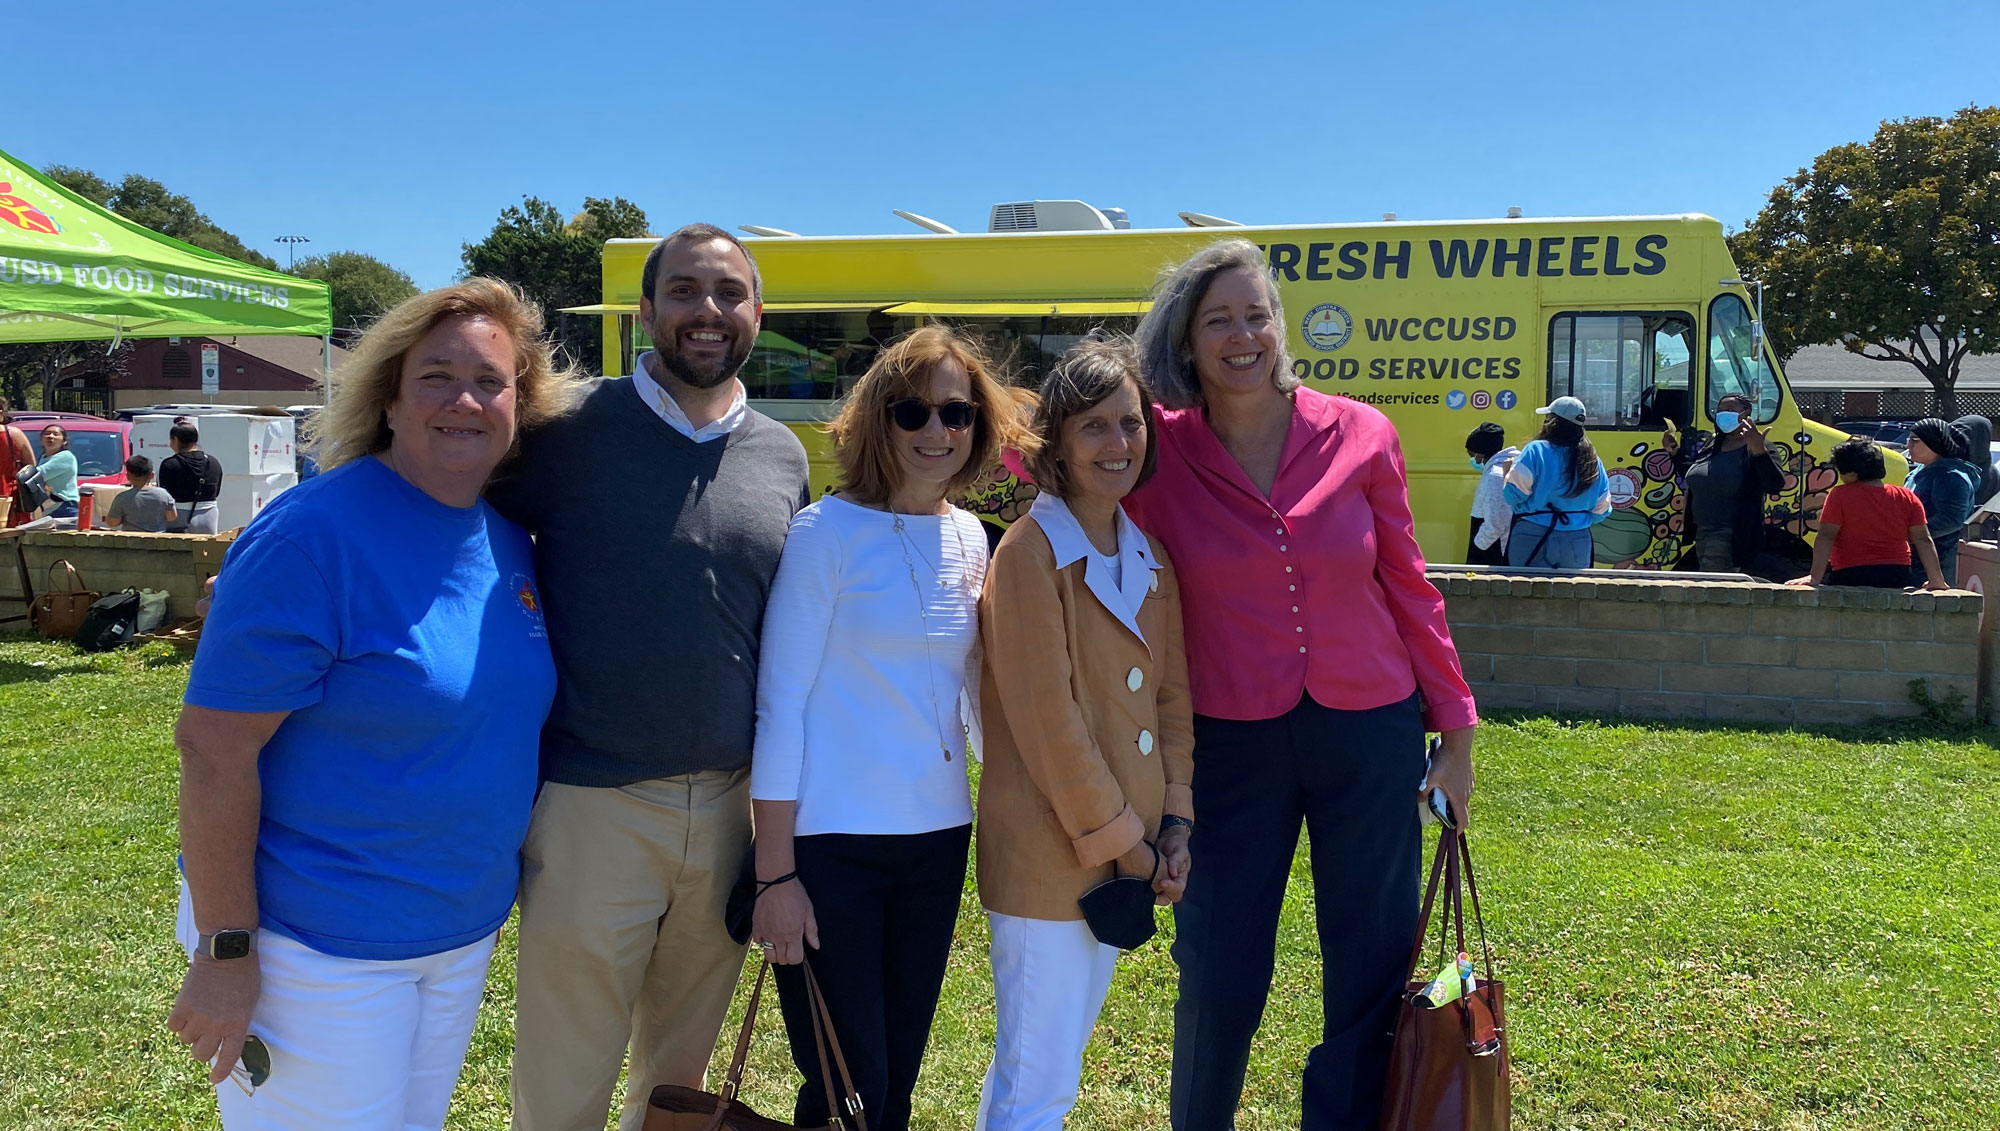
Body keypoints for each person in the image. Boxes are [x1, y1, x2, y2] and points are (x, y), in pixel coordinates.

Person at [166, 279, 574, 1129]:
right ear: (389, 394)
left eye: (491, 381)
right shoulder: (312, 535)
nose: (465, 400)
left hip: (454, 938)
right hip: (310, 948)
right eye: (436, 375)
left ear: (520, 405)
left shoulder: (506, 542)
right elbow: (213, 751)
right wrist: (226, 948)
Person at [1122, 239, 1478, 1131]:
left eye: (1257, 313)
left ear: (1280, 324)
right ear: (1188, 340)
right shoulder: (1153, 447)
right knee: (1218, 959)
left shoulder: (1361, 432)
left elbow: (1408, 584)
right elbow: (1035, 451)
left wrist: (1458, 733)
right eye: (1218, 320)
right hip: (1228, 739)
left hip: (1370, 728)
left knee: (1369, 960)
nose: (1243, 334)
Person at [487, 224, 812, 1131]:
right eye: (683, 292)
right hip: (592, 803)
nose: (706, 312)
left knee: (677, 1087)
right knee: (563, 1079)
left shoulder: (784, 457)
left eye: (728, 293)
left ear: (757, 312)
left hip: (729, 811)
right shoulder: (565, 430)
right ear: (646, 310)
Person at [749, 324, 1026, 1131]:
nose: (936, 431)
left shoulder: (972, 536)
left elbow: (973, 699)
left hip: (937, 841)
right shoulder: (824, 533)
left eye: (957, 411)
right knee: (847, 1079)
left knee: (897, 1074)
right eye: (911, 412)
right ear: (878, 420)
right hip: (829, 848)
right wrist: (775, 875)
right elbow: (781, 706)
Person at [974, 335, 1194, 1131]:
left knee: (1037, 1074)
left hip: (1124, 855)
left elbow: (1171, 702)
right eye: (1095, 425)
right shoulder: (1030, 554)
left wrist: (1176, 824)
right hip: (1050, 860)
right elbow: (1050, 726)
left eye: (1131, 424)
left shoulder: (1150, 555)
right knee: (1038, 1085)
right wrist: (1130, 847)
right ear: (1056, 441)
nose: (1118, 443)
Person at [1800, 437, 1948, 590]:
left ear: (1851, 473)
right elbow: (1923, 539)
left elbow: (1826, 535)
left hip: (1851, 572)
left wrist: (1814, 577)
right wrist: (1936, 579)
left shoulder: (1840, 495)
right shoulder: (1906, 496)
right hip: (1897, 572)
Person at [1664, 394, 1785, 574]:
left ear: (1746, 414)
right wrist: (1674, 454)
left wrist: (1760, 452)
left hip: (1729, 534)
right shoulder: (1713, 444)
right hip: (1703, 532)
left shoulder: (1758, 446)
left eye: (1729, 410)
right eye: (1719, 411)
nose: (1722, 415)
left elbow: (1774, 485)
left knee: (1713, 586)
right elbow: (1701, 477)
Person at [1502, 396, 1610, 569]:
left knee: (1525, 593)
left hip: (1532, 536)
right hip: (1577, 539)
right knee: (1573, 593)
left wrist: (1506, 472)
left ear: (1552, 422)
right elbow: (1601, 510)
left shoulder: (1535, 450)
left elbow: (1513, 495)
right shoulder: (1592, 459)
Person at [1903, 418, 1979, 586]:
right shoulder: (1917, 473)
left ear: (1934, 443)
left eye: (1914, 441)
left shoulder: (1951, 475)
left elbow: (1951, 520)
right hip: (1912, 559)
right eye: (1909, 440)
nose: (1908, 445)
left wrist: (1910, 534)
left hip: (1939, 565)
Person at [1463, 422, 1515, 566]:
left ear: (1480, 453)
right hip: (1493, 545)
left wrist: (1477, 547)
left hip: (1492, 552)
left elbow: (1497, 522)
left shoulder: (1494, 476)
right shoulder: (1499, 470)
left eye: (1471, 454)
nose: (1472, 459)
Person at [160, 421, 226, 534]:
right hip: (209, 516)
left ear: (175, 440)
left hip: (178, 518)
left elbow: (165, 497)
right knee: (205, 549)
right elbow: (216, 492)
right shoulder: (213, 462)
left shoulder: (169, 464)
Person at [105, 455, 179, 532]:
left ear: (128, 476)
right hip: (158, 540)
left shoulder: (121, 498)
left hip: (130, 541)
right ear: (152, 475)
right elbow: (172, 517)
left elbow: (112, 523)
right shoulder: (164, 495)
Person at [35, 423, 81, 521]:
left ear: (64, 441)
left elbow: (39, 475)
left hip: (65, 507)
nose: (50, 437)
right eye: (47, 434)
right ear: (41, 439)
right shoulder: (44, 457)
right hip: (51, 507)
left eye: (55, 434)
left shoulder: (66, 456)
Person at [0, 399, 33, 527]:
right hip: (10, 501)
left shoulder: (12, 434)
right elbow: (30, 467)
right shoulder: (13, 434)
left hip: (11, 501)